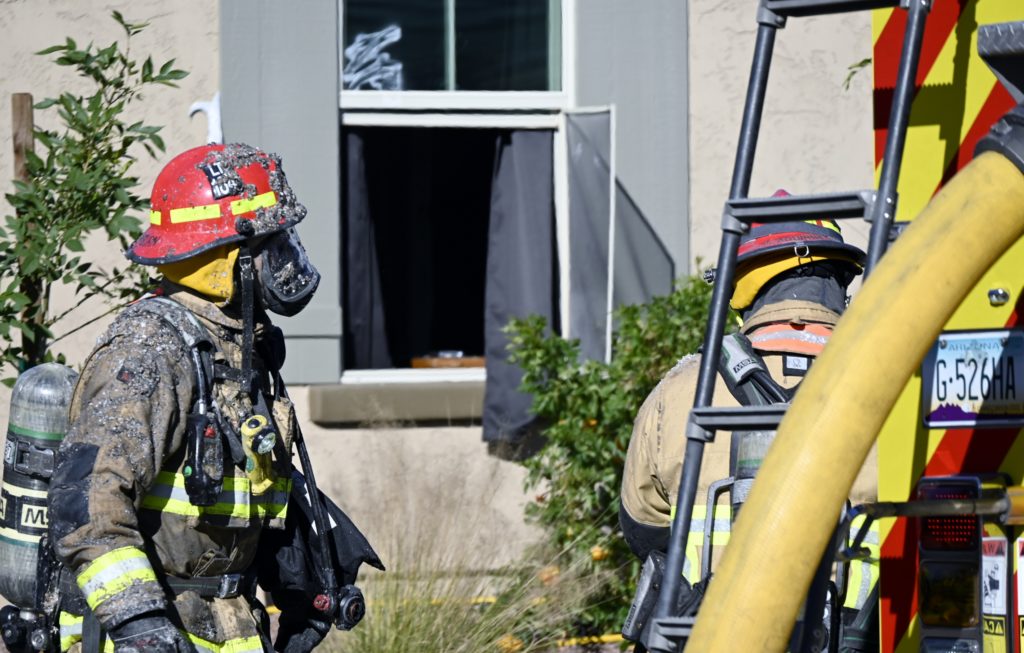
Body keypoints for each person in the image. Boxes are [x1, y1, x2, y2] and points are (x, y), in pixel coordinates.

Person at [46, 144, 347, 653]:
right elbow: (87, 504)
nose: (288, 260)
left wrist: (299, 578)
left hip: (227, 623)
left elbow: (243, 492)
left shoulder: (236, 347)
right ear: (227, 257)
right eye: (274, 246)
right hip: (145, 631)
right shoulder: (149, 351)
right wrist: (140, 626)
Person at [620, 198, 873, 570]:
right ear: (840, 278)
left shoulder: (682, 390)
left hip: (714, 625)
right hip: (868, 628)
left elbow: (644, 528)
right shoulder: (892, 379)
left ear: (740, 285)